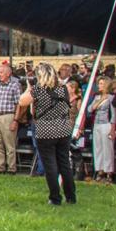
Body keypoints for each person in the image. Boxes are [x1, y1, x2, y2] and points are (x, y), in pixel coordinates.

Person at [25, 63, 77, 206]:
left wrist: (28, 88)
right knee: (64, 163)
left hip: (46, 131)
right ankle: (71, 196)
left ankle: (55, 197)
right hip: (63, 129)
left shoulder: (37, 90)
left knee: (50, 165)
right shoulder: (62, 88)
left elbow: (22, 102)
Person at [87, 77, 116, 184]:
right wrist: (100, 99)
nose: (100, 85)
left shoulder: (111, 98)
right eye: (99, 83)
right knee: (98, 147)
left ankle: (109, 171)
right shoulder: (97, 97)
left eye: (102, 84)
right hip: (97, 124)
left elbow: (113, 114)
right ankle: (99, 170)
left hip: (106, 124)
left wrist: (113, 128)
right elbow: (90, 109)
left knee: (107, 148)